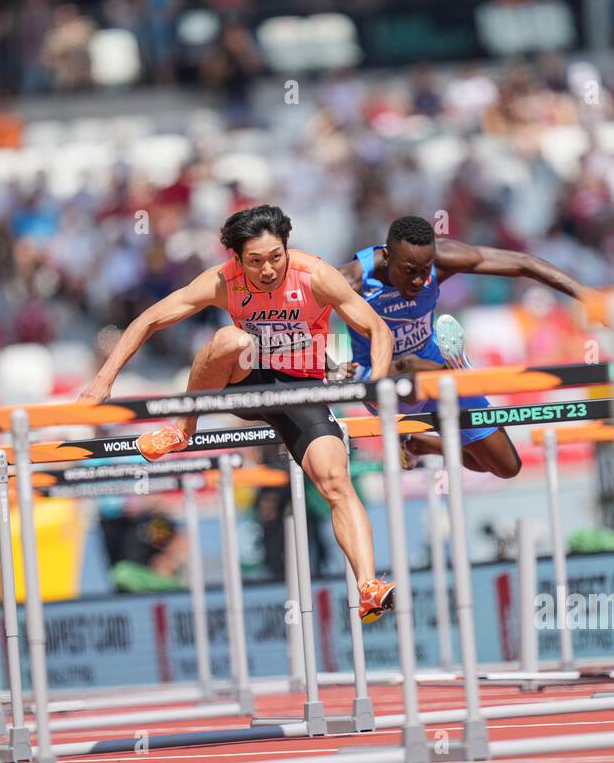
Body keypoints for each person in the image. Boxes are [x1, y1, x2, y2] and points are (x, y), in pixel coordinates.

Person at [79, 204, 398, 622]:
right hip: (245, 383)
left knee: (336, 479)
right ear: (236, 258)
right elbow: (150, 320)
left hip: (301, 390)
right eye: (255, 262)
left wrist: (377, 384)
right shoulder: (222, 281)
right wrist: (105, 379)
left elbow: (378, 328)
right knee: (228, 338)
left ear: (287, 245)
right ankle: (182, 429)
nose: (267, 270)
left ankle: (367, 586)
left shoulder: (316, 275)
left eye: (275, 257)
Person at [335, 215, 595, 476]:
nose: (417, 281)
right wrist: (331, 368)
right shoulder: (353, 278)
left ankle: (423, 443)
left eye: (424, 272)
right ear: (388, 257)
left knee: (506, 467)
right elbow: (301, 313)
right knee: (406, 365)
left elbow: (524, 263)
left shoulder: (444, 258)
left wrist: (592, 299)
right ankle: (451, 370)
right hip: (378, 375)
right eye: (409, 271)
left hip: (432, 363)